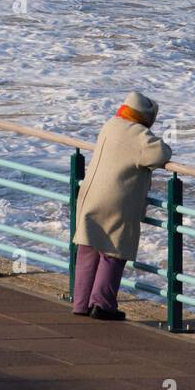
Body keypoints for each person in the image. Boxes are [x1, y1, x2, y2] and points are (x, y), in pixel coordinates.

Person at [72, 90, 172, 321]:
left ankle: (80, 303)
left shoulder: (110, 125)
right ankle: (103, 304)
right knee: (113, 250)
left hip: (90, 193)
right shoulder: (138, 135)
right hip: (116, 200)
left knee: (88, 247)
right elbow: (160, 154)